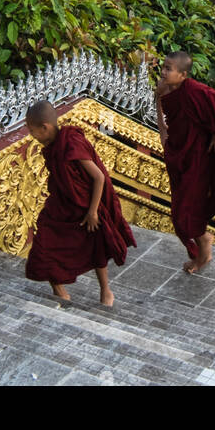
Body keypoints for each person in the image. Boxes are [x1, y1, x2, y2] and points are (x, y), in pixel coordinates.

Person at [24, 100, 135, 306]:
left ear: (45, 127)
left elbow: (99, 177)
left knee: (96, 245)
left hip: (84, 208)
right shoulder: (53, 146)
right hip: (61, 206)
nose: (31, 135)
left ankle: (106, 290)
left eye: (32, 131)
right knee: (43, 247)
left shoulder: (71, 143)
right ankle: (60, 291)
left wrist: (93, 212)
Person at [155, 50, 215, 275]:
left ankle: (204, 245)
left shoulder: (195, 91)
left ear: (183, 75)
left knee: (184, 214)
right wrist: (158, 99)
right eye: (164, 67)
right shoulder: (166, 88)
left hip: (198, 159)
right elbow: (165, 120)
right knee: (181, 212)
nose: (163, 72)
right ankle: (203, 243)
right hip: (179, 154)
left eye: (169, 69)